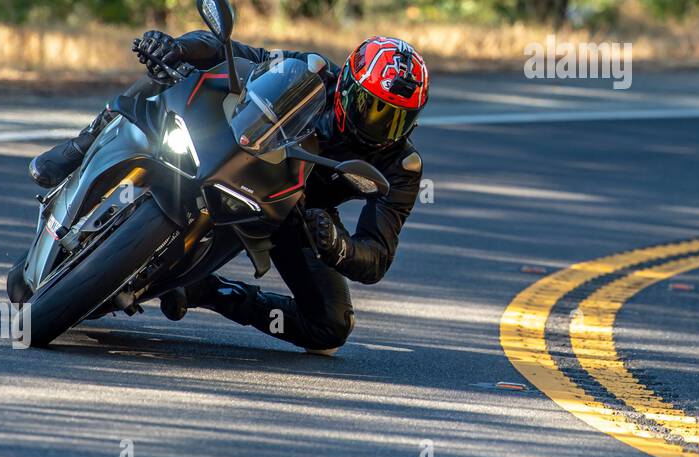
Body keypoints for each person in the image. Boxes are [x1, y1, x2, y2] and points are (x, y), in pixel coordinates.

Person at [28, 30, 429, 354]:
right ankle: (81, 144)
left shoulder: (402, 168)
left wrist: (338, 244)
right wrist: (178, 47)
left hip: (294, 216)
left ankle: (207, 289)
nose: (380, 126)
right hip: (236, 153)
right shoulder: (311, 74)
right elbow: (234, 51)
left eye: (396, 119)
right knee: (168, 70)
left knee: (330, 325)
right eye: (371, 107)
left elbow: (376, 257)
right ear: (346, 87)